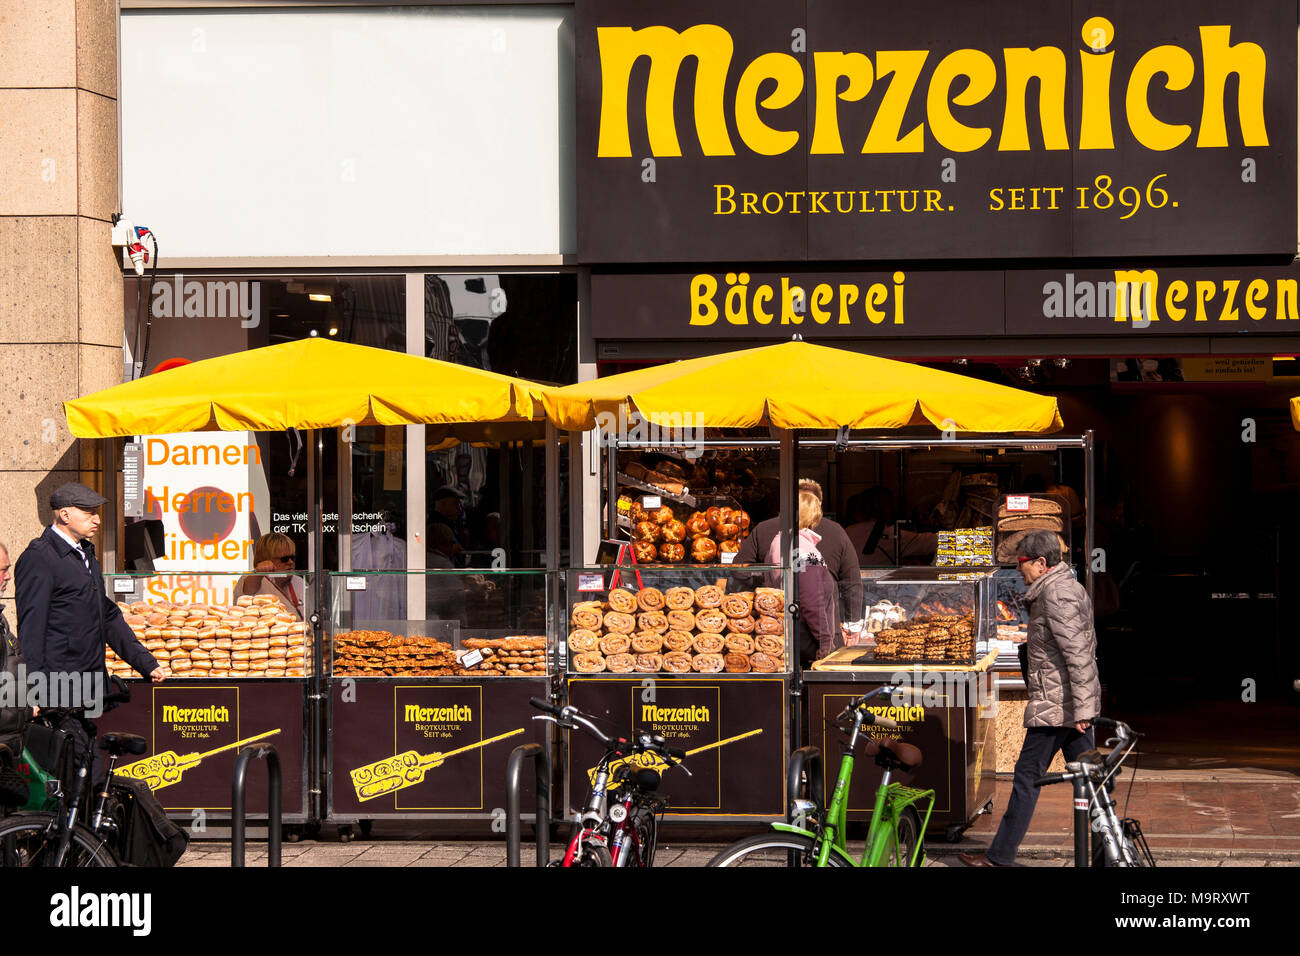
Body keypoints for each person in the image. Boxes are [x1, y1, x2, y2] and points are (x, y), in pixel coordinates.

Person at [959, 530, 1101, 867]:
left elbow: (1079, 656)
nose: (1019, 571)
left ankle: (998, 858)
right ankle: (1109, 854)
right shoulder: (1060, 588)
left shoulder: (1057, 595)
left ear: (1041, 563)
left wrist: (1082, 710)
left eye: (1022, 563)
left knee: (1026, 777)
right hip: (1066, 705)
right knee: (1093, 782)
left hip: (1058, 707)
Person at [14, 483, 167, 784]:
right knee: (84, 772)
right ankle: (71, 831)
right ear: (65, 514)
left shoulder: (85, 555)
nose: (97, 519)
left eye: (97, 512)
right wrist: (31, 691)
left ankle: (77, 830)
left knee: (81, 773)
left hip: (85, 687)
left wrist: (145, 661)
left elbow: (107, 614)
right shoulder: (40, 558)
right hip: (57, 689)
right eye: (89, 512)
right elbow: (31, 628)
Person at [737, 478, 862, 665]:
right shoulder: (827, 536)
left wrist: (761, 595)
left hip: (777, 630)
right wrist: (850, 626)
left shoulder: (769, 532)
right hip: (818, 636)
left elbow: (739, 571)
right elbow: (849, 581)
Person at [764, 492, 838, 661]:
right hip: (806, 641)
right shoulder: (800, 547)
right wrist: (825, 641)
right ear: (812, 518)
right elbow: (811, 600)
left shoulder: (781, 541)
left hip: (792, 635)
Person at [845, 486, 937, 566]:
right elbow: (931, 542)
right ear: (885, 508)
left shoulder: (848, 532)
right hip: (875, 584)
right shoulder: (890, 535)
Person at [237, 532, 306, 620]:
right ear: (267, 559)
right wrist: (259, 572)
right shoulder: (255, 579)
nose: (290, 562)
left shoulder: (298, 580)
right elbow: (248, 589)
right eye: (284, 559)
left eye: (292, 558)